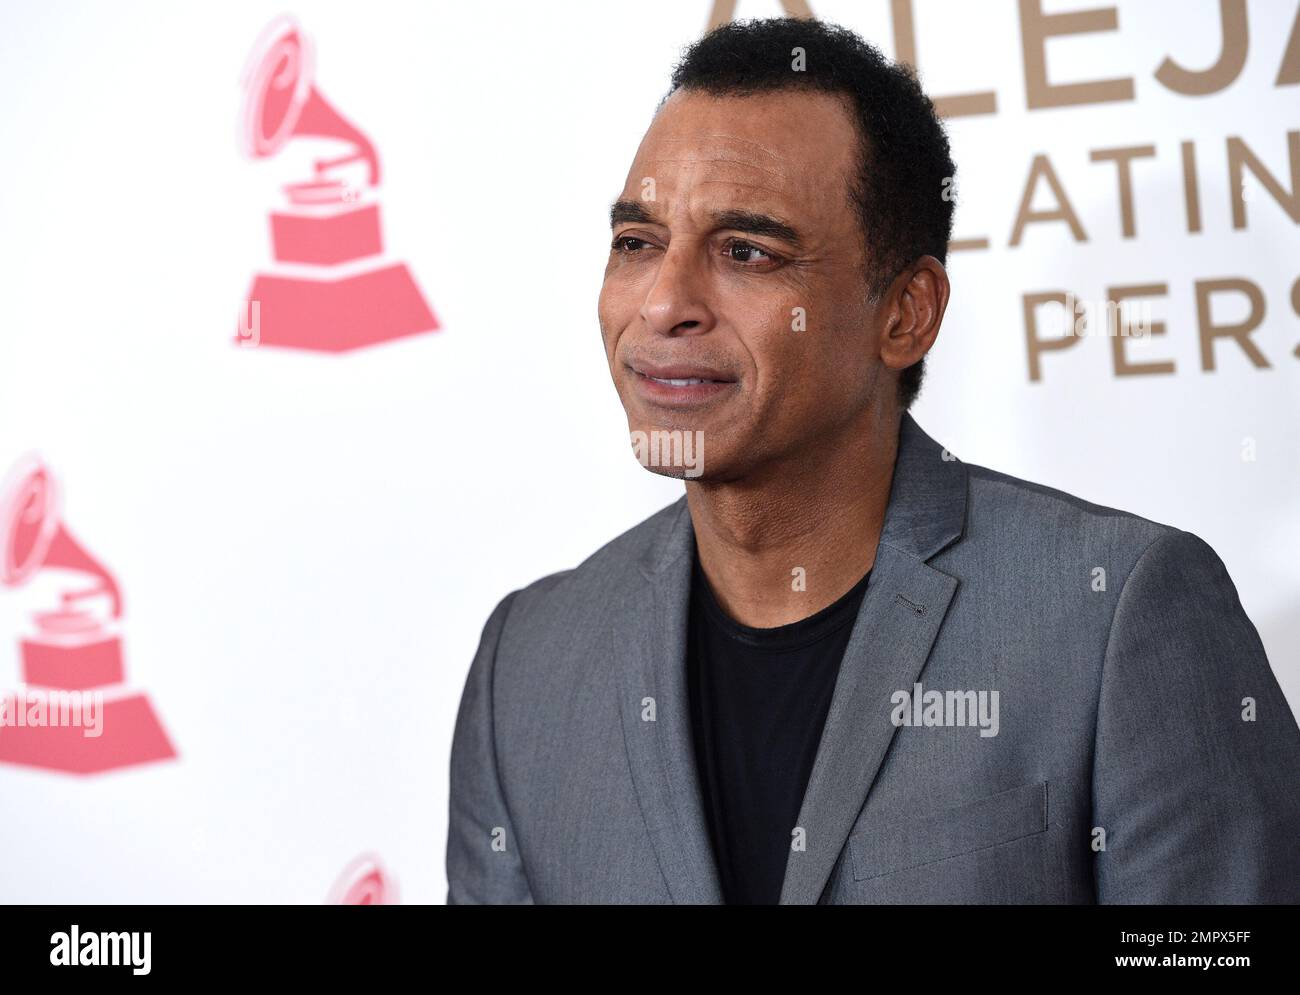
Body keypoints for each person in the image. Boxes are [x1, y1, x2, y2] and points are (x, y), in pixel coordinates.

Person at [446, 17, 1300, 904]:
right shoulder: (530, 666)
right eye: (637, 243)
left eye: (746, 251)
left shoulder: (1116, 612)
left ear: (906, 314)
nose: (664, 303)